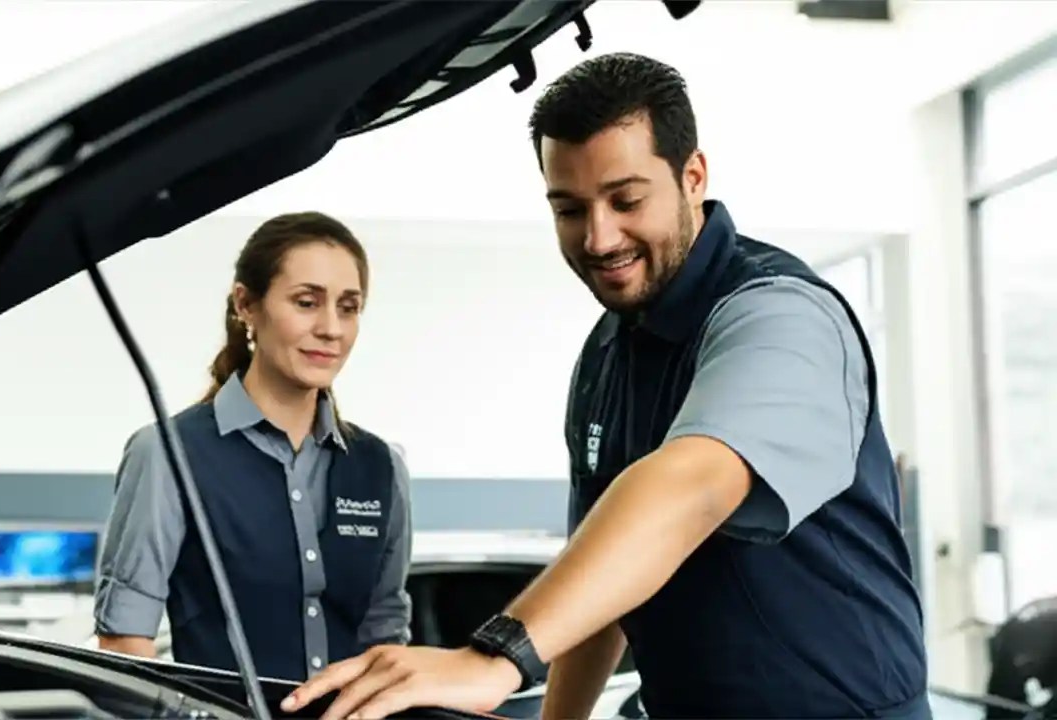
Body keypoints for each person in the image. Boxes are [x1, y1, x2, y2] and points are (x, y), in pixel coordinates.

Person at [281, 53, 930, 720]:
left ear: (692, 177)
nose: (598, 237)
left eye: (626, 200)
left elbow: (693, 486)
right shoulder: (607, 353)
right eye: (569, 208)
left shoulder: (782, 318)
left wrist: (494, 655)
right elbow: (604, 582)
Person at [93, 211, 413, 683]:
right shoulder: (166, 453)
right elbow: (125, 643)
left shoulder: (381, 466)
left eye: (349, 307)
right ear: (246, 304)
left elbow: (385, 638)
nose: (331, 328)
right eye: (307, 302)